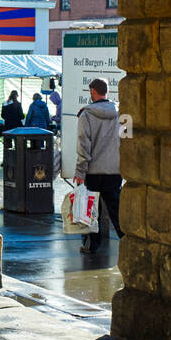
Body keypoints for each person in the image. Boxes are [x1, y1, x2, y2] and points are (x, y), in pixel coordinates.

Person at [75, 76, 123, 254]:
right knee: (115, 207)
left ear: (93, 92)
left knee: (92, 208)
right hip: (115, 169)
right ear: (107, 92)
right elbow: (128, 139)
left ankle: (92, 245)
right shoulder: (121, 112)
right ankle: (125, 239)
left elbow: (83, 144)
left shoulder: (86, 114)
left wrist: (80, 171)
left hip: (93, 171)